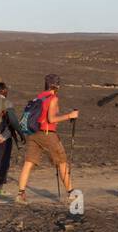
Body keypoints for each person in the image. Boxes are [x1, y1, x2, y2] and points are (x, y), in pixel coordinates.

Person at [16, 73, 79, 204]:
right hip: (47, 133)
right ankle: (71, 193)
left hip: (33, 133)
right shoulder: (53, 98)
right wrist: (70, 116)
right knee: (62, 162)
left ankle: (20, 194)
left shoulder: (38, 97)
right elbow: (51, 119)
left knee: (28, 163)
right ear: (57, 85)